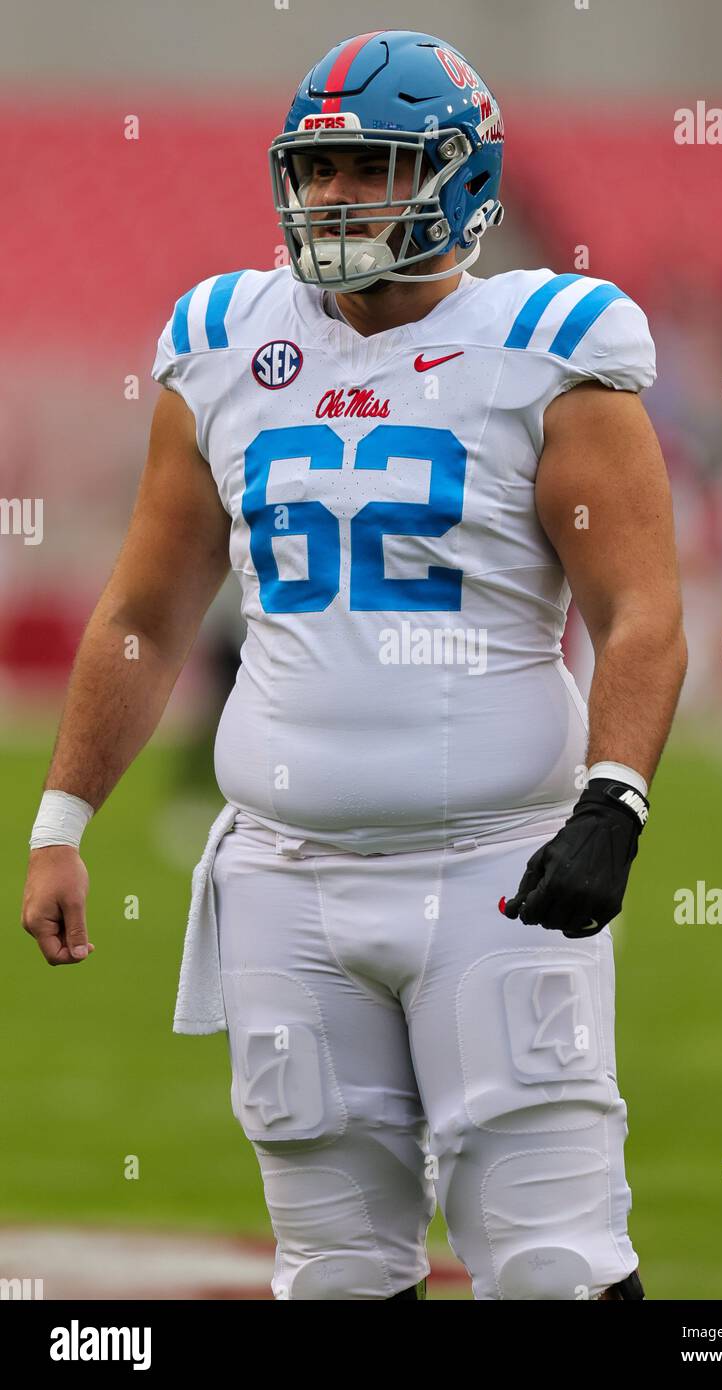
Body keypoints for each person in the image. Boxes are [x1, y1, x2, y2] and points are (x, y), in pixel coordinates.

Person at [22, 29, 687, 1300]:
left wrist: (614, 797)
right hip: (284, 874)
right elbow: (148, 609)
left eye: (369, 166)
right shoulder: (224, 339)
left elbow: (641, 609)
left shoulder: (551, 342)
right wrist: (63, 818)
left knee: (552, 1264)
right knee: (332, 1273)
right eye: (315, 171)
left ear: (460, 178)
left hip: (499, 863)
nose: (331, 200)